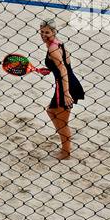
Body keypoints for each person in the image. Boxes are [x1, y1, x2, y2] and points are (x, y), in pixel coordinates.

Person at [30, 21, 83, 160]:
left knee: (62, 121)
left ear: (54, 32)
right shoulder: (58, 44)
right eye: (41, 32)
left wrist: (66, 93)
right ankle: (64, 141)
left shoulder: (53, 49)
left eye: (47, 32)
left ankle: (66, 153)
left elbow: (64, 70)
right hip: (68, 83)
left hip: (65, 86)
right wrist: (48, 69)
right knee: (51, 111)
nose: (43, 35)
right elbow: (64, 65)